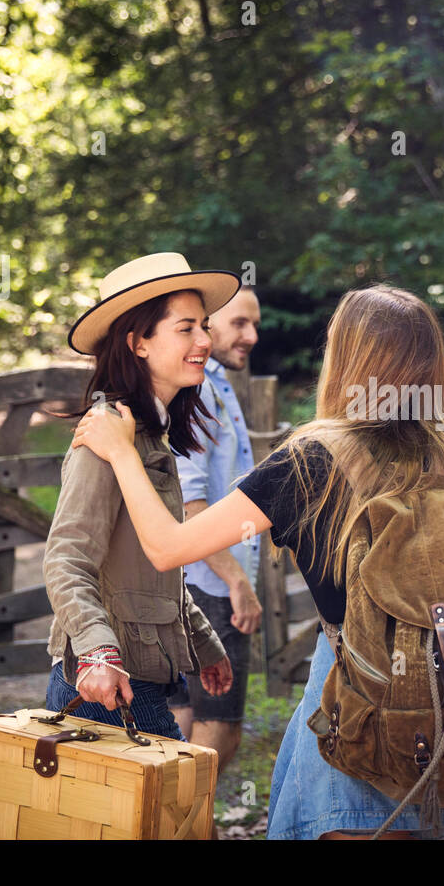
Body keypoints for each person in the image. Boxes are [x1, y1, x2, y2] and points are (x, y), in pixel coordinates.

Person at [72, 284, 444, 839]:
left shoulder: (311, 462)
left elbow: (167, 548)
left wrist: (119, 452)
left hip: (358, 713)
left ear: (346, 359)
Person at [43, 251, 236, 740]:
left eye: (205, 327)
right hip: (108, 686)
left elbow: (152, 563)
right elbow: (66, 558)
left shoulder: (149, 436)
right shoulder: (106, 435)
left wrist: (204, 643)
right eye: (186, 328)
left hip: (140, 679)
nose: (205, 341)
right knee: (173, 813)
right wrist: (97, 653)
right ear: (138, 343)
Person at [169, 286, 263, 775]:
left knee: (184, 721)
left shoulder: (216, 385)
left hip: (200, 578)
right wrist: (236, 581)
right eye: (239, 324)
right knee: (217, 729)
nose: (250, 336)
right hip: (208, 583)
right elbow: (190, 501)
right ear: (207, 324)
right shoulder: (201, 390)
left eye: (254, 325)